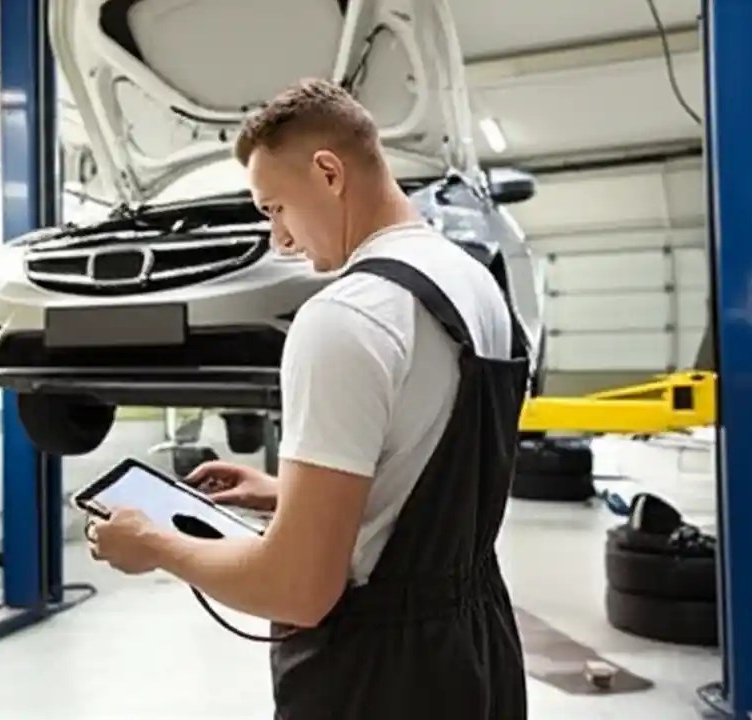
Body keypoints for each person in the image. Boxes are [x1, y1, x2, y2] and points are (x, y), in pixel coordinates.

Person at [86, 77, 531, 719]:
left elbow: (299, 590)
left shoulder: (346, 317)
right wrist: (284, 493)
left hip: (379, 678)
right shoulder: (475, 285)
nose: (280, 240)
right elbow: (434, 471)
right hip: (477, 647)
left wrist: (153, 545)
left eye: (275, 209)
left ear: (327, 173)